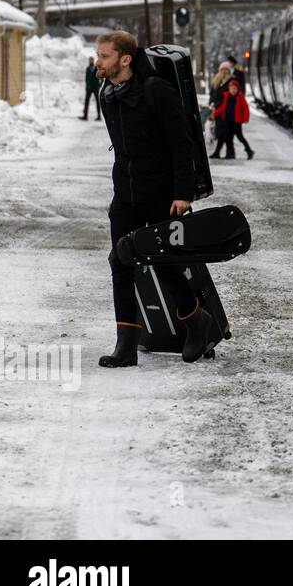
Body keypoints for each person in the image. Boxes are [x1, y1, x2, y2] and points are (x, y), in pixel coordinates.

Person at [96, 30, 217, 367]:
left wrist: (182, 193)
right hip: (126, 193)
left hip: (161, 193)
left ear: (125, 59)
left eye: (105, 56)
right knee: (120, 261)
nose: (98, 61)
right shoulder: (108, 93)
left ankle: (197, 321)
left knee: (163, 262)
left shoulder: (156, 91)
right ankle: (126, 346)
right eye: (98, 55)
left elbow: (182, 143)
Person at [211, 78, 253, 159]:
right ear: (229, 89)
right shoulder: (227, 97)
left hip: (236, 122)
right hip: (228, 121)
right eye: (231, 89)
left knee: (240, 137)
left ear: (238, 89)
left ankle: (249, 150)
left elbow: (245, 108)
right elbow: (223, 108)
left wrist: (245, 119)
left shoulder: (240, 98)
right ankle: (230, 154)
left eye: (235, 89)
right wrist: (215, 114)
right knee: (228, 138)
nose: (233, 90)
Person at [81, 56, 102, 121]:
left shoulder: (97, 68)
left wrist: (99, 85)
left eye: (91, 60)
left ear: (93, 61)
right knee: (86, 101)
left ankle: (99, 116)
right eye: (90, 60)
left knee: (97, 102)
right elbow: (86, 78)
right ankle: (85, 116)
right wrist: (87, 85)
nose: (90, 61)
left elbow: (101, 77)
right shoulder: (88, 68)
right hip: (89, 88)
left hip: (96, 87)